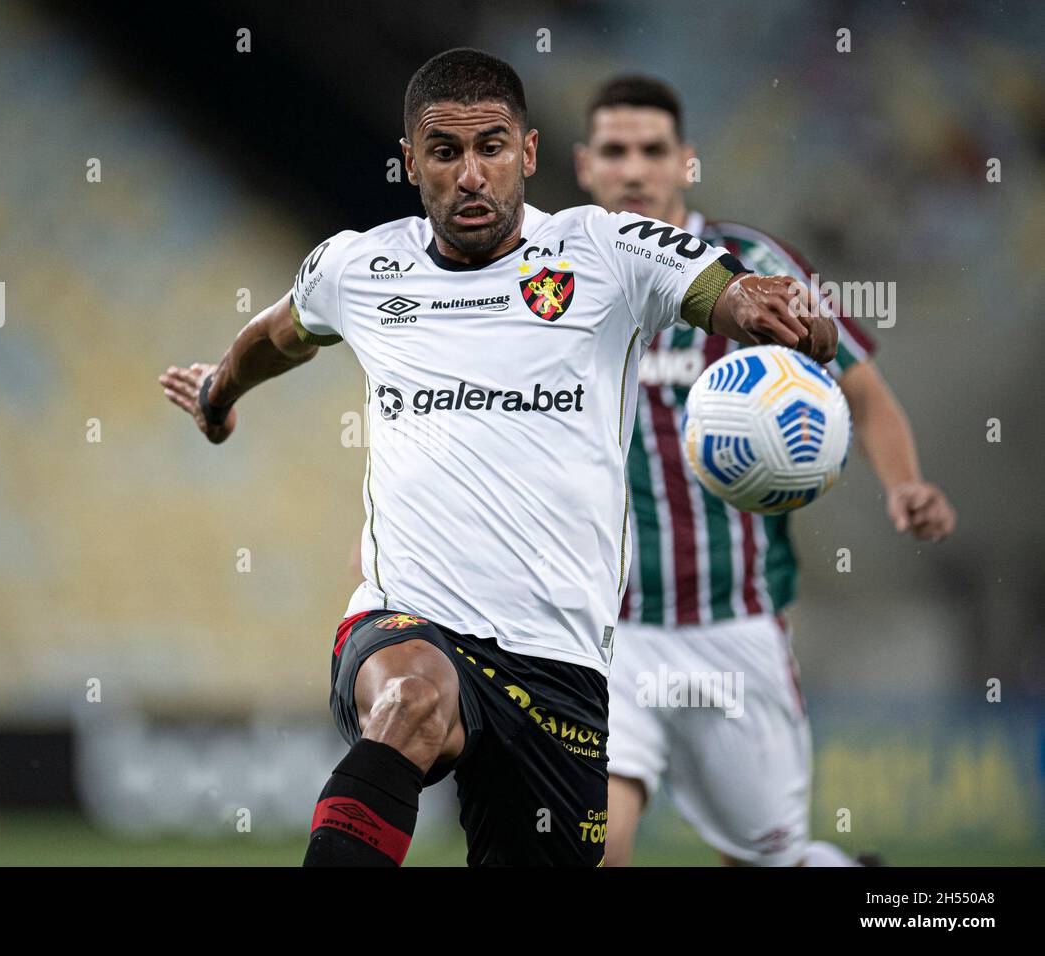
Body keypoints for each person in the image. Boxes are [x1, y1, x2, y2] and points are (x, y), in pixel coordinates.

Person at [159, 50, 835, 867]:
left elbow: (720, 288)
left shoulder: (604, 250)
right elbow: (275, 334)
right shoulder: (359, 266)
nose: (471, 175)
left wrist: (770, 306)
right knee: (411, 701)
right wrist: (218, 395)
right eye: (445, 153)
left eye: (492, 147)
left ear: (531, 153)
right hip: (410, 618)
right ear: (411, 162)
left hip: (560, 665)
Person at [573, 75, 956, 866]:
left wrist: (904, 483)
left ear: (687, 164)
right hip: (607, 632)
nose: (634, 171)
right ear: (584, 165)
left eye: (653, 151)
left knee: (766, 862)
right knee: (589, 851)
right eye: (615, 151)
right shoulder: (558, 280)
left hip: (733, 626)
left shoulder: (751, 266)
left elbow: (863, 390)